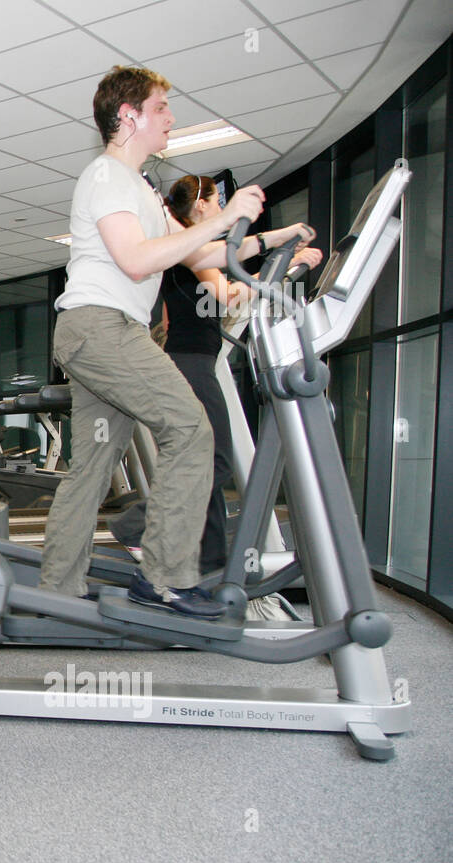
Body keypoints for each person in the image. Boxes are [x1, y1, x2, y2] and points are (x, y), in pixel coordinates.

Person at [38, 66, 315, 618]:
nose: (171, 117)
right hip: (100, 328)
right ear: (129, 116)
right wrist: (225, 217)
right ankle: (165, 577)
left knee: (91, 467)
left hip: (102, 332)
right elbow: (138, 261)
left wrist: (269, 237)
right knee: (191, 431)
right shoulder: (107, 176)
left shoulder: (139, 187)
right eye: (161, 107)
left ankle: (56, 588)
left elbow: (198, 256)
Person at [108, 175, 324, 575]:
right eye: (217, 199)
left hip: (192, 359)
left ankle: (210, 561)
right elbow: (230, 294)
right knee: (216, 463)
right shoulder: (191, 248)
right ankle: (133, 524)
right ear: (203, 206)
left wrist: (282, 244)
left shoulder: (188, 245)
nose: (221, 205)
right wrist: (289, 263)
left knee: (205, 460)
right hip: (190, 363)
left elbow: (227, 269)